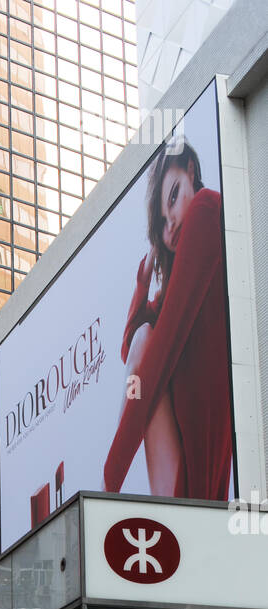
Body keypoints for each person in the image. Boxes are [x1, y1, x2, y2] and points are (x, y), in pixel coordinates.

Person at [103, 138, 231, 502]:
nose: (171, 221)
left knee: (149, 347)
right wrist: (140, 286)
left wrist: (111, 476)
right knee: (145, 338)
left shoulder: (207, 208)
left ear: (191, 171)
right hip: (192, 470)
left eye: (173, 195)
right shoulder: (178, 279)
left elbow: (153, 359)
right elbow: (131, 348)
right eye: (161, 220)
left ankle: (114, 497)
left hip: (198, 468)